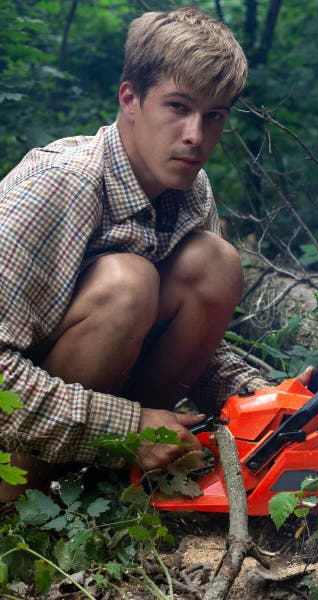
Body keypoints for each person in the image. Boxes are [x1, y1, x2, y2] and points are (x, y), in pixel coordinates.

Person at [0, 7, 301, 501]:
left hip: (91, 440)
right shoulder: (61, 185)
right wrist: (128, 427)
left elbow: (189, 343)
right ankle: (21, 505)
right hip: (11, 450)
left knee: (216, 265)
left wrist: (265, 399)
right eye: (178, 107)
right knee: (129, 282)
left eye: (213, 116)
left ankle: (105, 490)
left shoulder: (190, 186)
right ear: (130, 98)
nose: (195, 136)